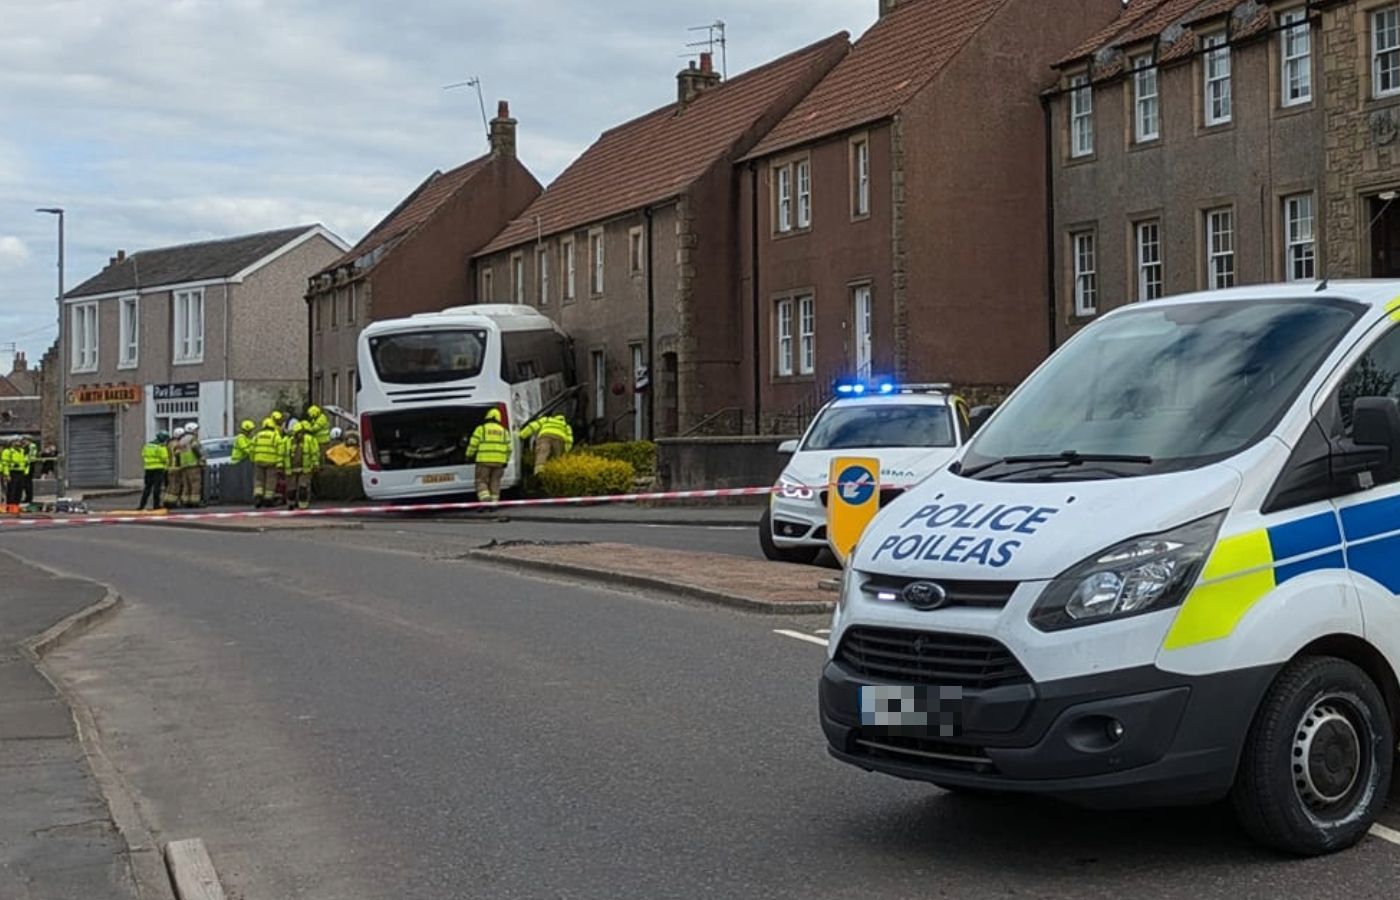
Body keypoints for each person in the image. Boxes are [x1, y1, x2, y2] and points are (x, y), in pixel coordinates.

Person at [466, 408, 511, 504]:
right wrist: (506, 461)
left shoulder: (481, 429)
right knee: (495, 482)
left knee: (481, 481)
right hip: (499, 462)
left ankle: (485, 500)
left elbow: (473, 444)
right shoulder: (504, 432)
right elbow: (509, 449)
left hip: (484, 461)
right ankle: (494, 503)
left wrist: (468, 455)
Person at [283, 421, 320, 510]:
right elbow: (282, 453)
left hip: (305, 469)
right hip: (291, 469)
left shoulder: (309, 440)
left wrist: (315, 464)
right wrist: (280, 465)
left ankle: (303, 505)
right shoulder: (287, 441)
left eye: (301, 433)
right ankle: (291, 504)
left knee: (303, 487)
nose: (299, 435)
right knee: (291, 489)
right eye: (297, 433)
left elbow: (314, 453)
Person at [251, 418, 282, 508]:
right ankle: (268, 499)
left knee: (258, 480)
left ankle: (258, 496)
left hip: (259, 461)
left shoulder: (257, 436)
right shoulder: (275, 436)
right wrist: (279, 462)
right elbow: (280, 449)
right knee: (270, 480)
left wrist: (253, 459)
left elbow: (252, 448)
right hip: (271, 462)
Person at [139, 432, 171, 511]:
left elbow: (143, 454)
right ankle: (156, 505)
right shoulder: (161, 447)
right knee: (157, 488)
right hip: (158, 469)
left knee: (147, 488)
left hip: (148, 468)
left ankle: (141, 506)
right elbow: (165, 458)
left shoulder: (147, 445)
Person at [165, 427, 187, 507]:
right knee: (176, 485)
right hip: (176, 467)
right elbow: (178, 455)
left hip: (169, 467)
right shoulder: (178, 444)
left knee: (170, 486)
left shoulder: (169, 443)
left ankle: (167, 500)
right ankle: (173, 502)